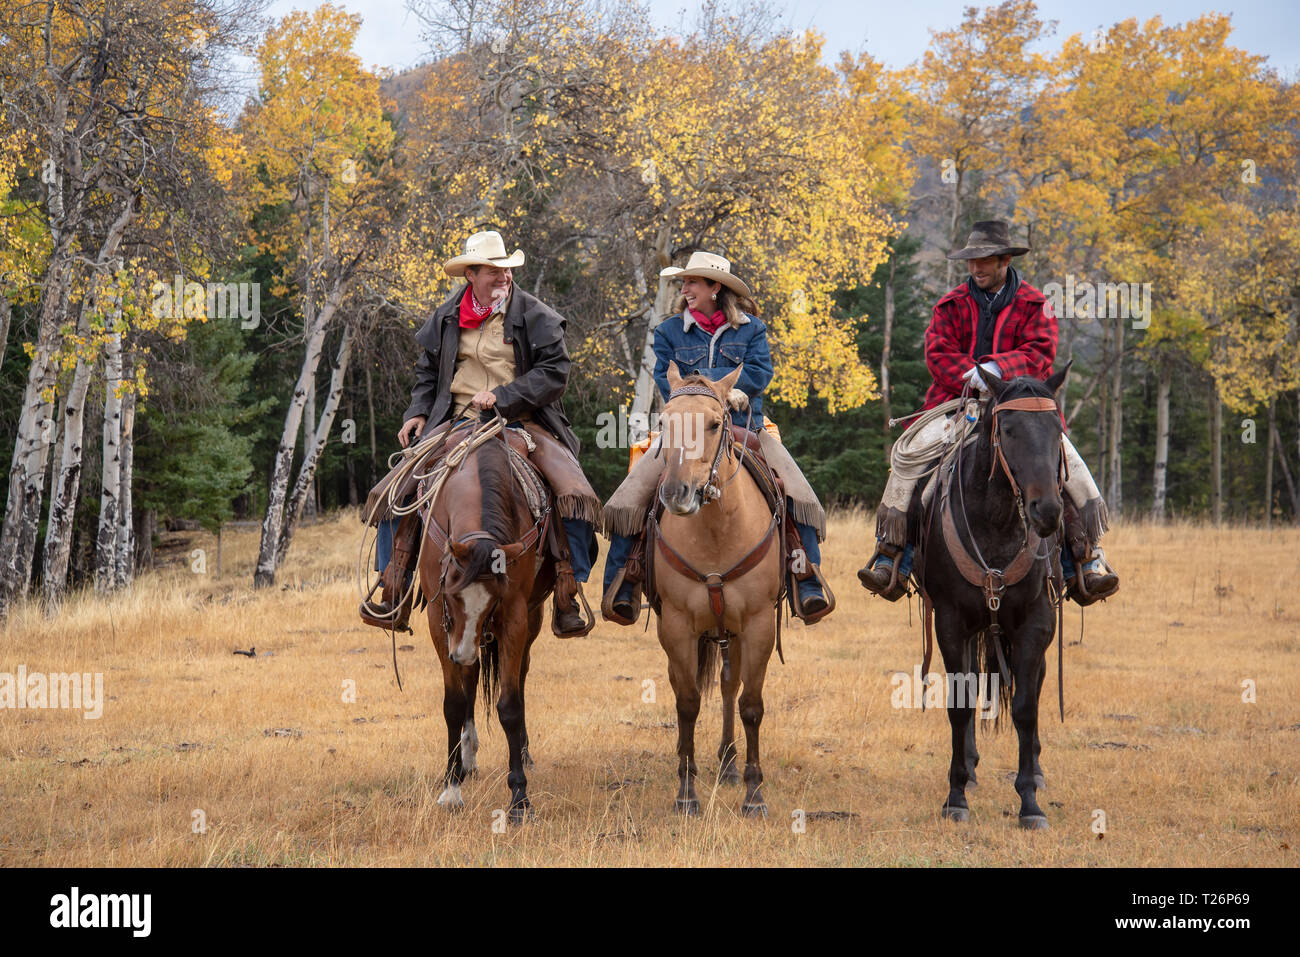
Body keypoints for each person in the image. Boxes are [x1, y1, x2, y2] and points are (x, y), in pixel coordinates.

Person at [857, 220, 1120, 606]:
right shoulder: (950, 305)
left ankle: (1084, 560)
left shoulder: (1035, 305)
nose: (976, 268)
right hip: (955, 403)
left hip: (1020, 406)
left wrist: (998, 370)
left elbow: (1040, 355)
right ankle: (893, 555)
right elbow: (937, 353)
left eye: (984, 261)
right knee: (910, 460)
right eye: (972, 262)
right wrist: (970, 375)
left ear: (1004, 260)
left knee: (1066, 466)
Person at [359, 230, 602, 635]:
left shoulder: (535, 315)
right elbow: (427, 372)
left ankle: (567, 588)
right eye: (492, 271)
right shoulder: (447, 316)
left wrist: (505, 396)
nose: (503, 277)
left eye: (505, 270)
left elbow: (555, 373)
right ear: (470, 274)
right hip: (456, 421)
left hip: (522, 421)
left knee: (573, 491)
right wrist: (418, 412)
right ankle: (394, 587)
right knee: (393, 493)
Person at [601, 251, 834, 625]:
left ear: (715, 288)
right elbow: (664, 376)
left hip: (745, 425)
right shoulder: (668, 331)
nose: (685, 288)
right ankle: (621, 582)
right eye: (684, 283)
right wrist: (718, 387)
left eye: (692, 282)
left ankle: (807, 579)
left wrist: (729, 388)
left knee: (793, 487)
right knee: (635, 490)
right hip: (680, 429)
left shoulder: (752, 329)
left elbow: (760, 372)